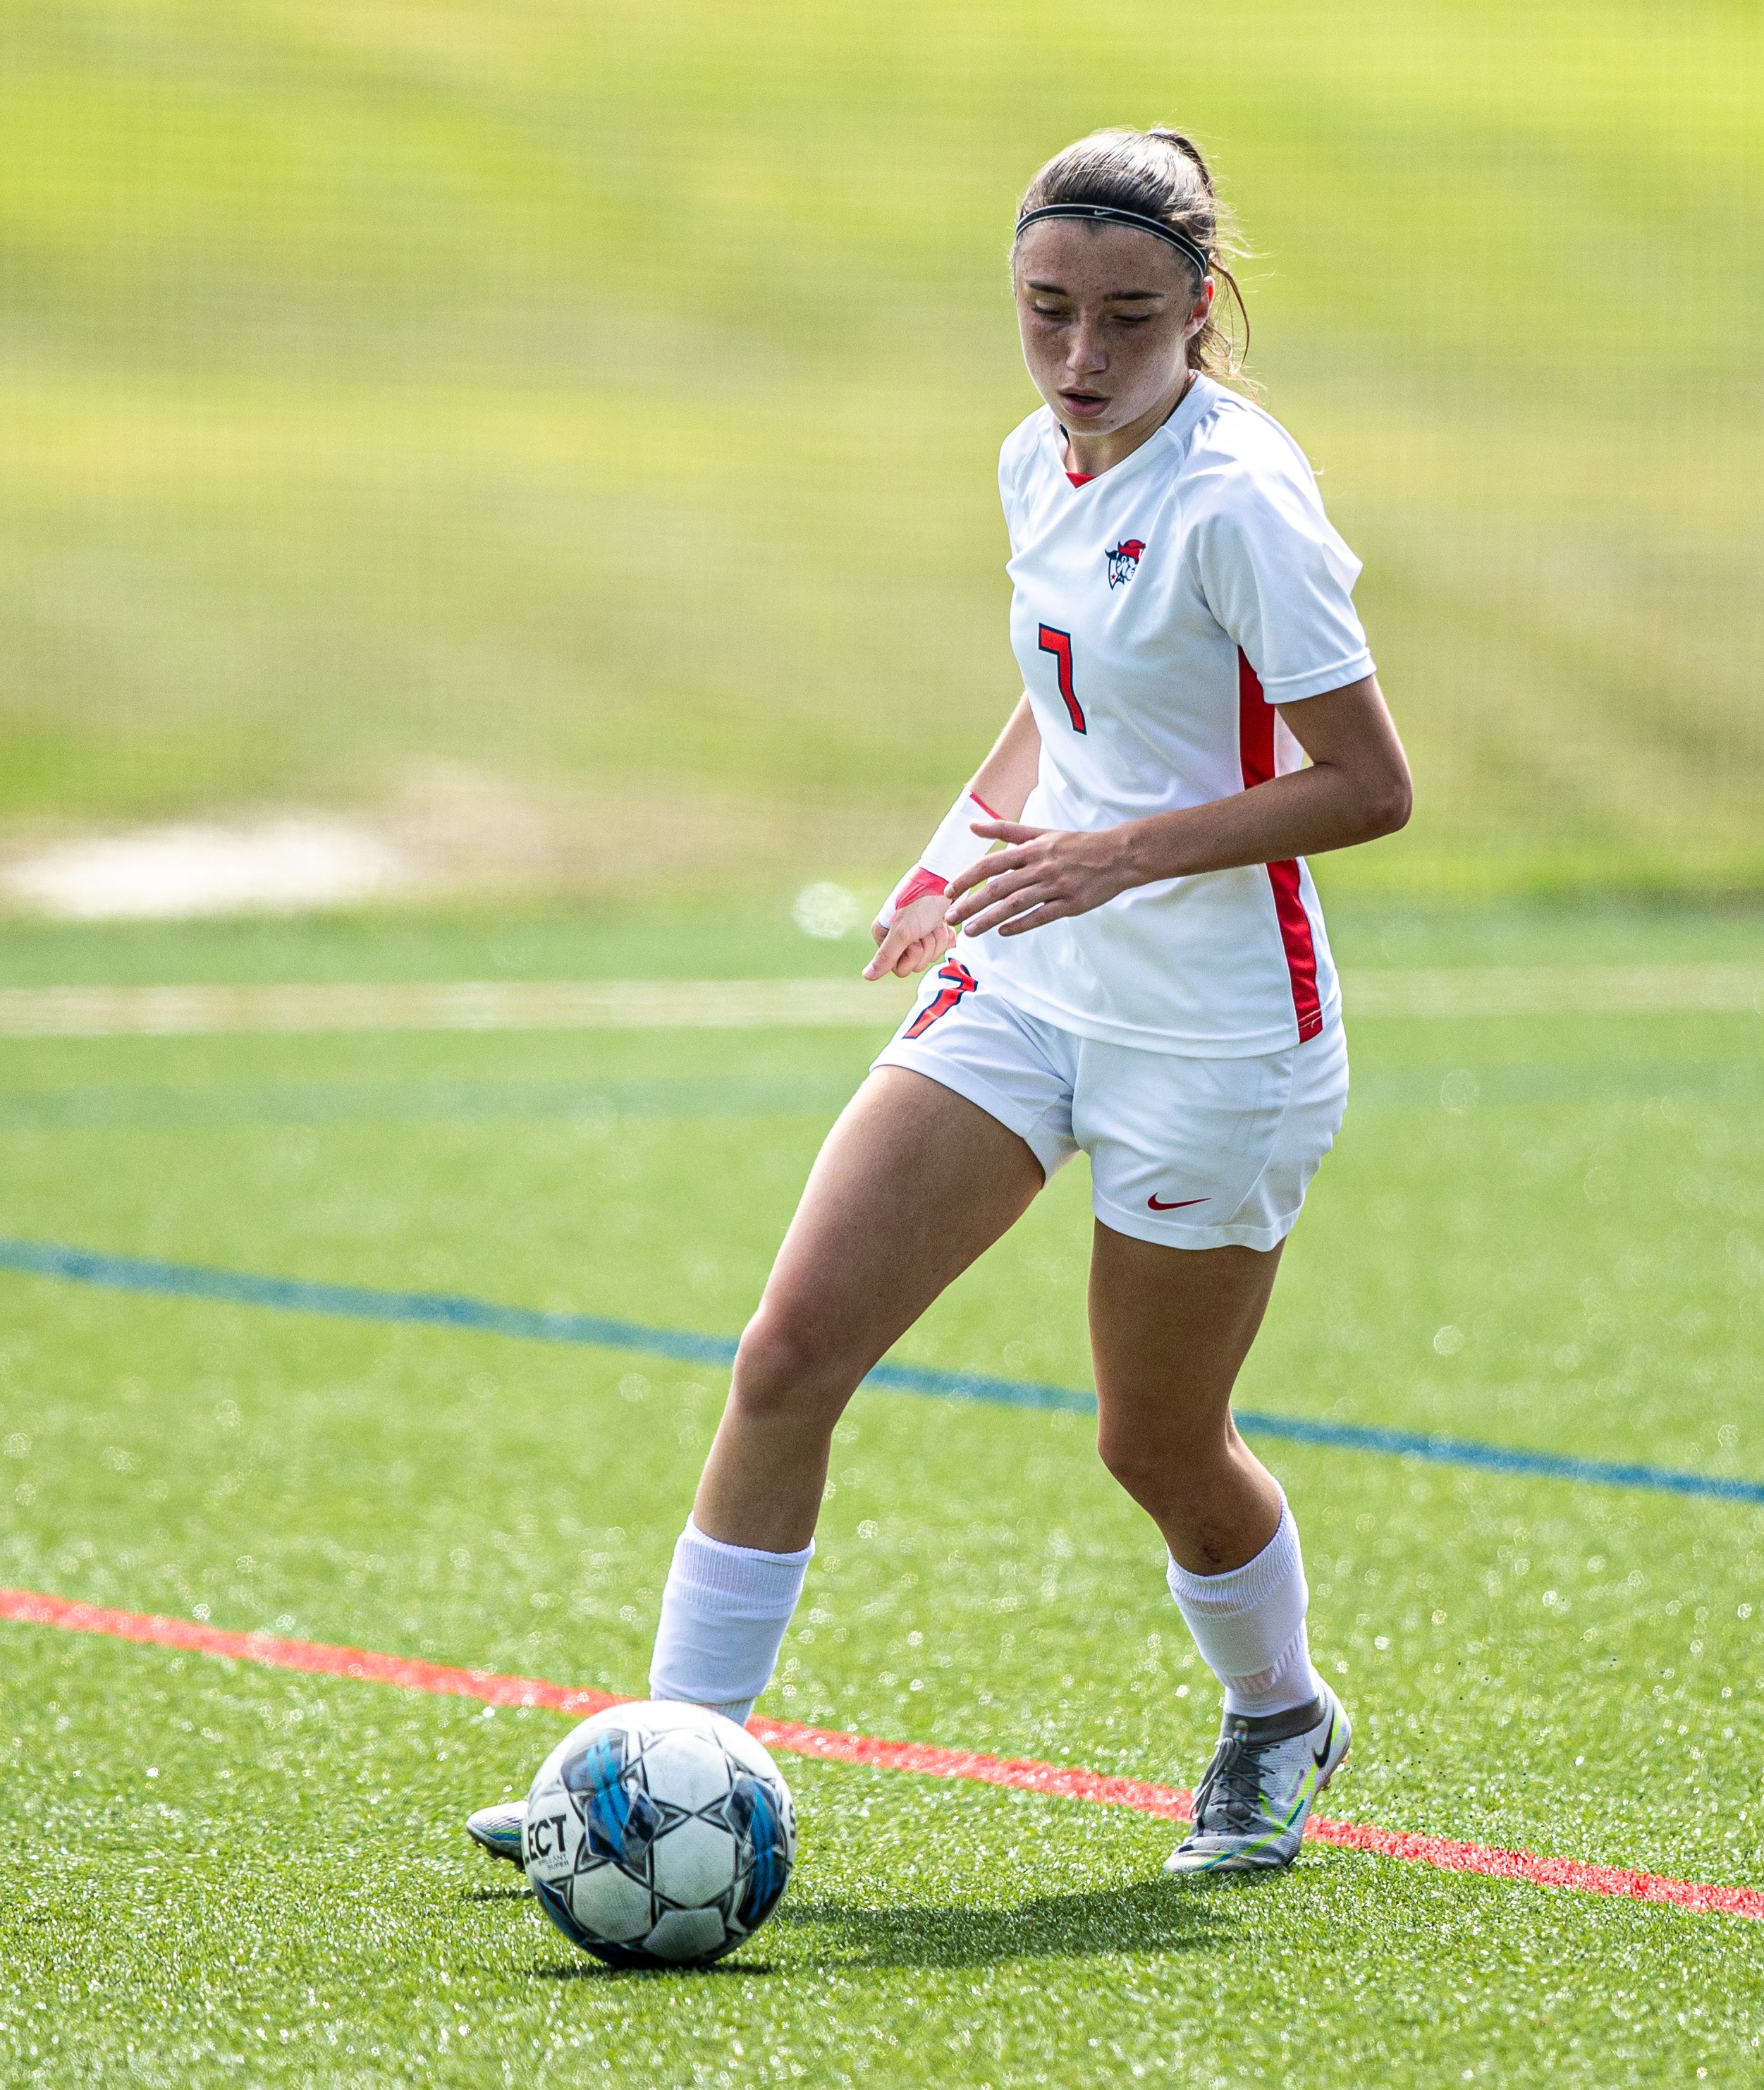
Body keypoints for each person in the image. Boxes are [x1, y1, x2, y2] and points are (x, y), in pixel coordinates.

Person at [469, 124, 1411, 1876]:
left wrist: (1107, 858)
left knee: (1156, 1443)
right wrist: (960, 845)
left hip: (1214, 1032)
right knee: (790, 1349)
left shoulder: (1241, 498)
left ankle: (1279, 1714)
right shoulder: (1033, 464)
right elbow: (1062, 702)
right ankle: (670, 1771)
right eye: (1046, 312)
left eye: (1126, 317)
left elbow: (1369, 788)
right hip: (1029, 974)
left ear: (1201, 308)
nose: (1079, 357)